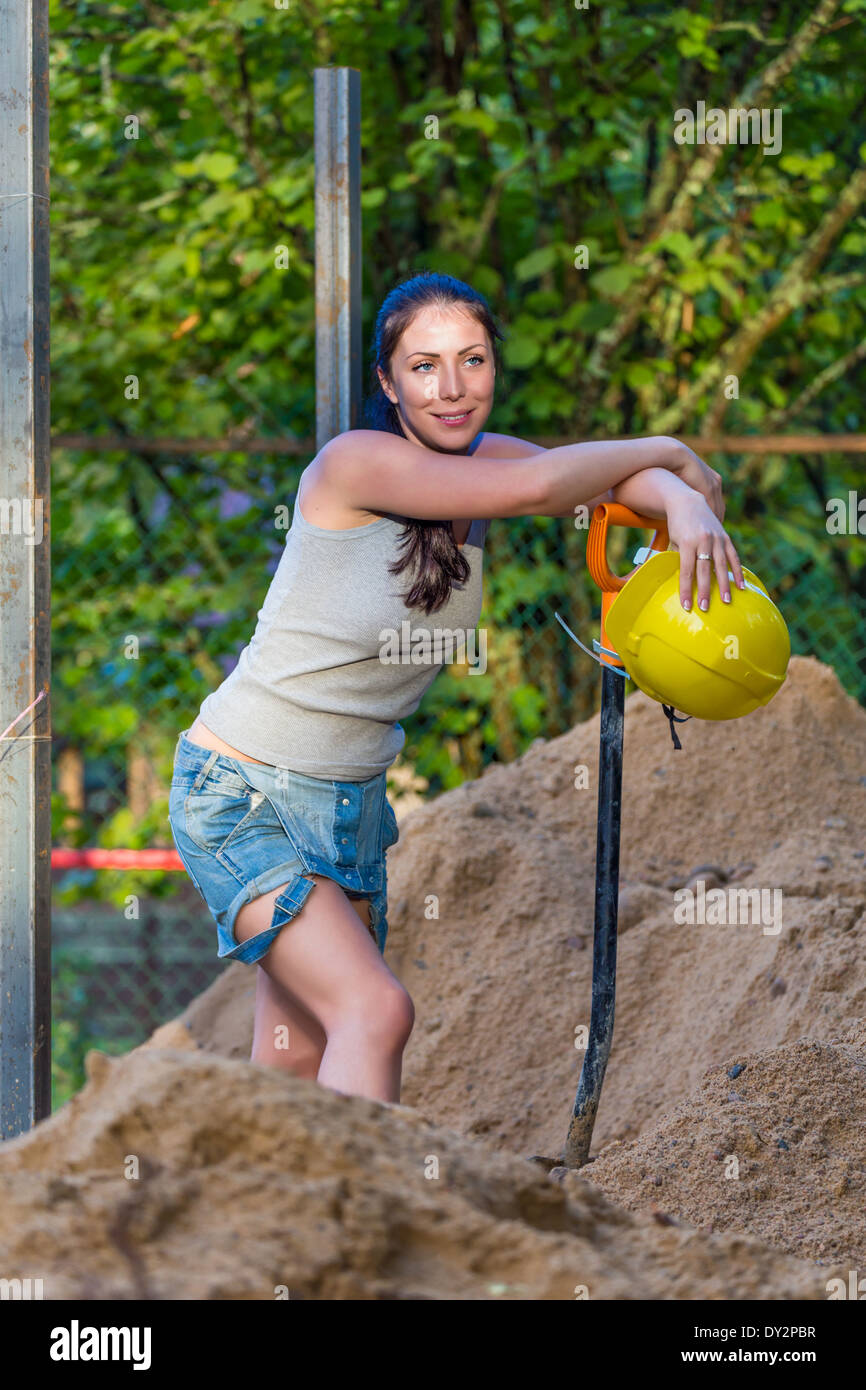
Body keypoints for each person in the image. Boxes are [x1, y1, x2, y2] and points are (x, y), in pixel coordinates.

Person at [167, 269, 744, 1106]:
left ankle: (259, 1227)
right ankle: (367, 1225)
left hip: (345, 806)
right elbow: (546, 487)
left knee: (292, 1057)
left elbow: (599, 483)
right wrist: (673, 453)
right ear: (387, 382)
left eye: (472, 361)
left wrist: (681, 505)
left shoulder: (486, 460)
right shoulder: (356, 464)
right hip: (243, 791)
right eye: (425, 365)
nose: (452, 388)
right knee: (374, 1011)